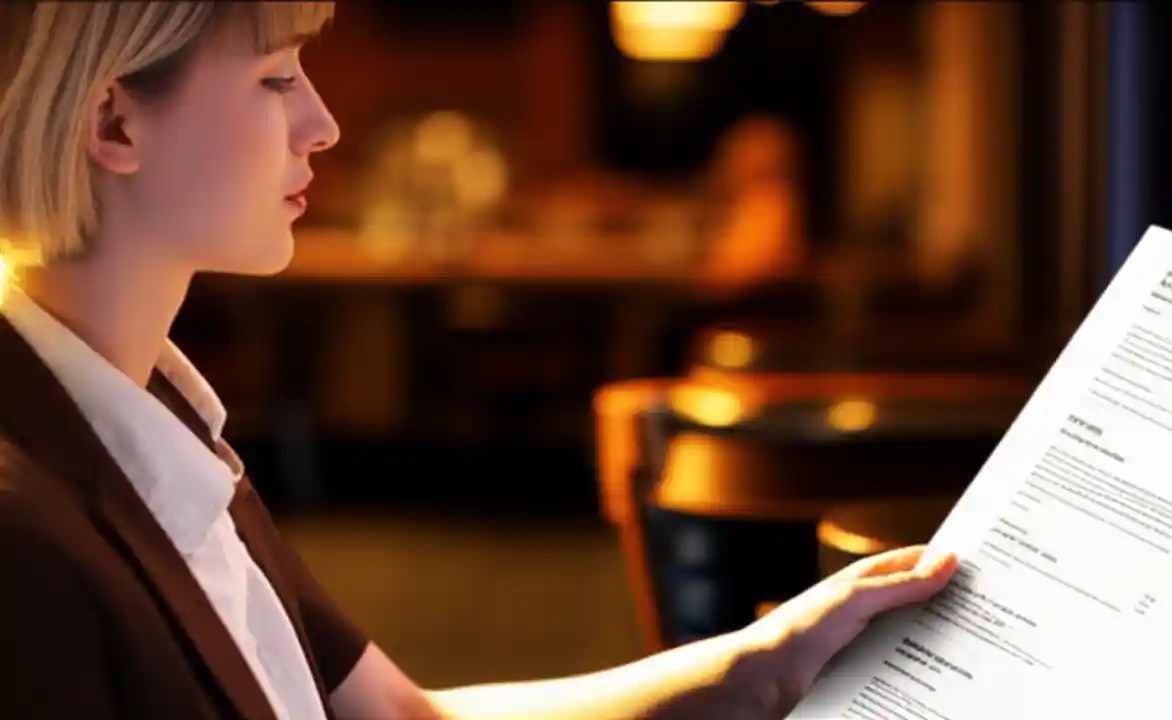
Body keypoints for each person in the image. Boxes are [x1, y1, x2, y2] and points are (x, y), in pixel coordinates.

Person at [0, 3, 957, 718]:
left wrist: (767, 660)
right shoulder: (25, 535)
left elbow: (403, 717)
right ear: (115, 124)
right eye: (277, 78)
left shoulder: (158, 428)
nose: (324, 123)